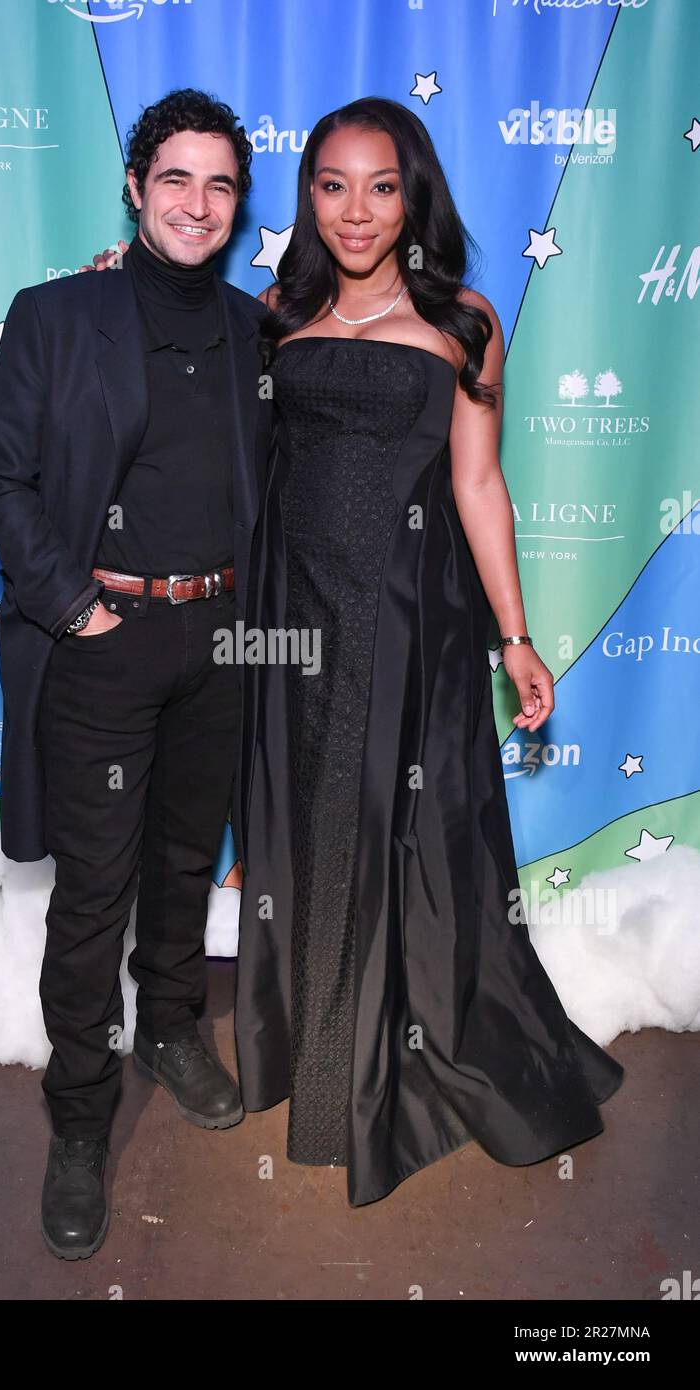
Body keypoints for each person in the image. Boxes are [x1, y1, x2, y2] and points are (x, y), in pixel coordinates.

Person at [231, 97, 625, 1207]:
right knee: (307, 824)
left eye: (381, 185)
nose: (355, 211)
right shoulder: (271, 314)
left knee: (404, 832)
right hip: (292, 618)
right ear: (306, 199)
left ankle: (385, 1064)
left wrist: (514, 637)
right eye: (330, 185)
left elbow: (476, 482)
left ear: (414, 196)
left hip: (409, 619)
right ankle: (315, 1047)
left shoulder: (462, 322)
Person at [0, 89, 274, 1259]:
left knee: (184, 862)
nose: (198, 203)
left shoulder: (256, 332)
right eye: (176, 179)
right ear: (136, 190)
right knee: (93, 892)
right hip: (102, 644)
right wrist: (75, 608)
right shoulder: (58, 316)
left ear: (238, 204)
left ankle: (172, 1031)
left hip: (220, 643)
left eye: (220, 184)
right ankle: (81, 1117)